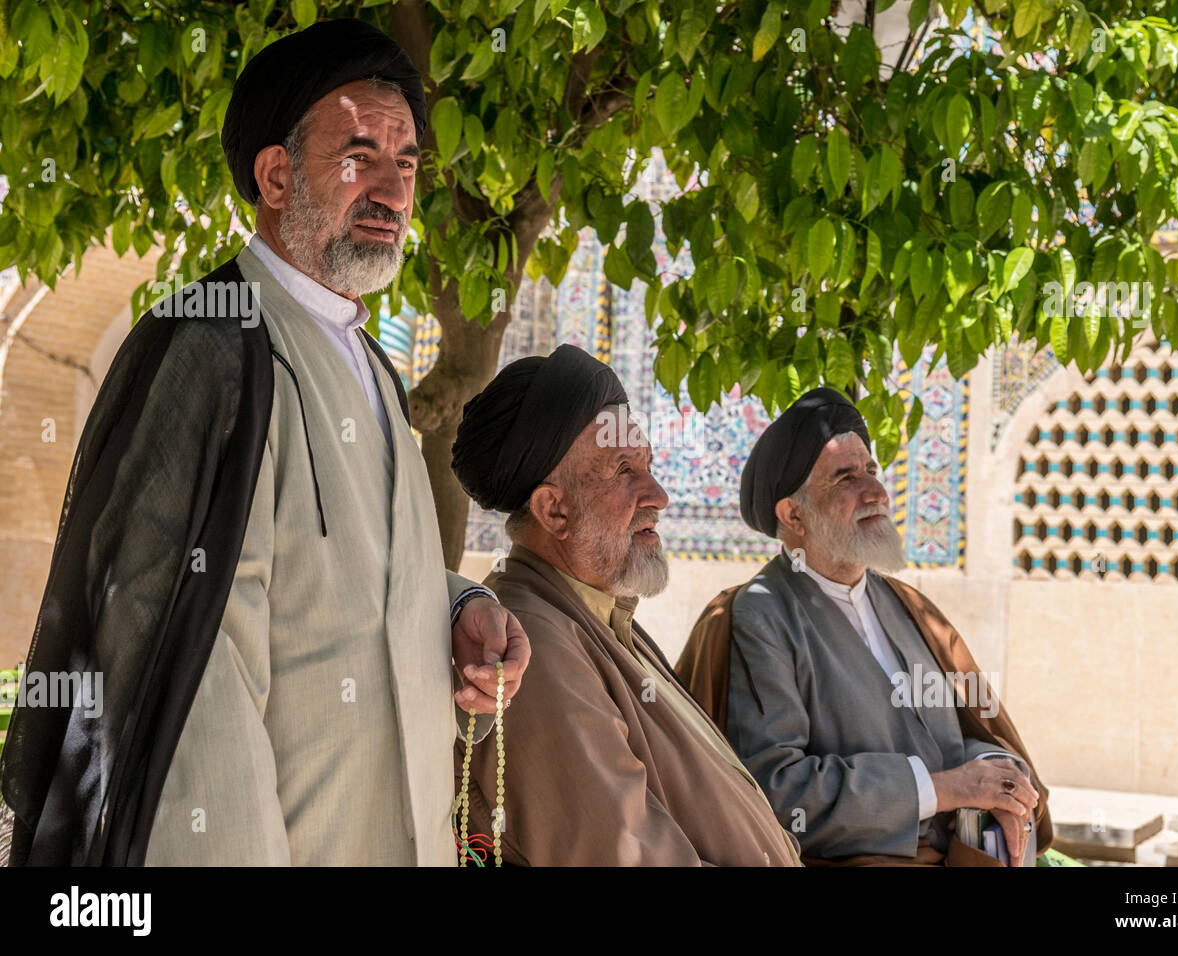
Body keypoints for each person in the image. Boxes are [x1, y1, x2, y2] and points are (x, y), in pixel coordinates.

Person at [0, 18, 530, 866]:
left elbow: (348, 578)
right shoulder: (213, 347)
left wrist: (461, 609)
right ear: (277, 174)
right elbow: (194, 684)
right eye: (359, 155)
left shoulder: (373, 367)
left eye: (407, 163)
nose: (394, 191)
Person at [448, 345, 800, 865]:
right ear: (555, 509)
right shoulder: (531, 644)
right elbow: (625, 852)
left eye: (648, 466)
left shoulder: (599, 618)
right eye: (624, 470)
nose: (657, 493)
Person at [677, 387, 1052, 866]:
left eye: (872, 470)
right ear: (793, 515)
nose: (875, 491)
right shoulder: (763, 614)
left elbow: (969, 731)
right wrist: (943, 789)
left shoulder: (906, 604)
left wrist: (999, 776)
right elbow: (778, 789)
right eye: (846, 478)